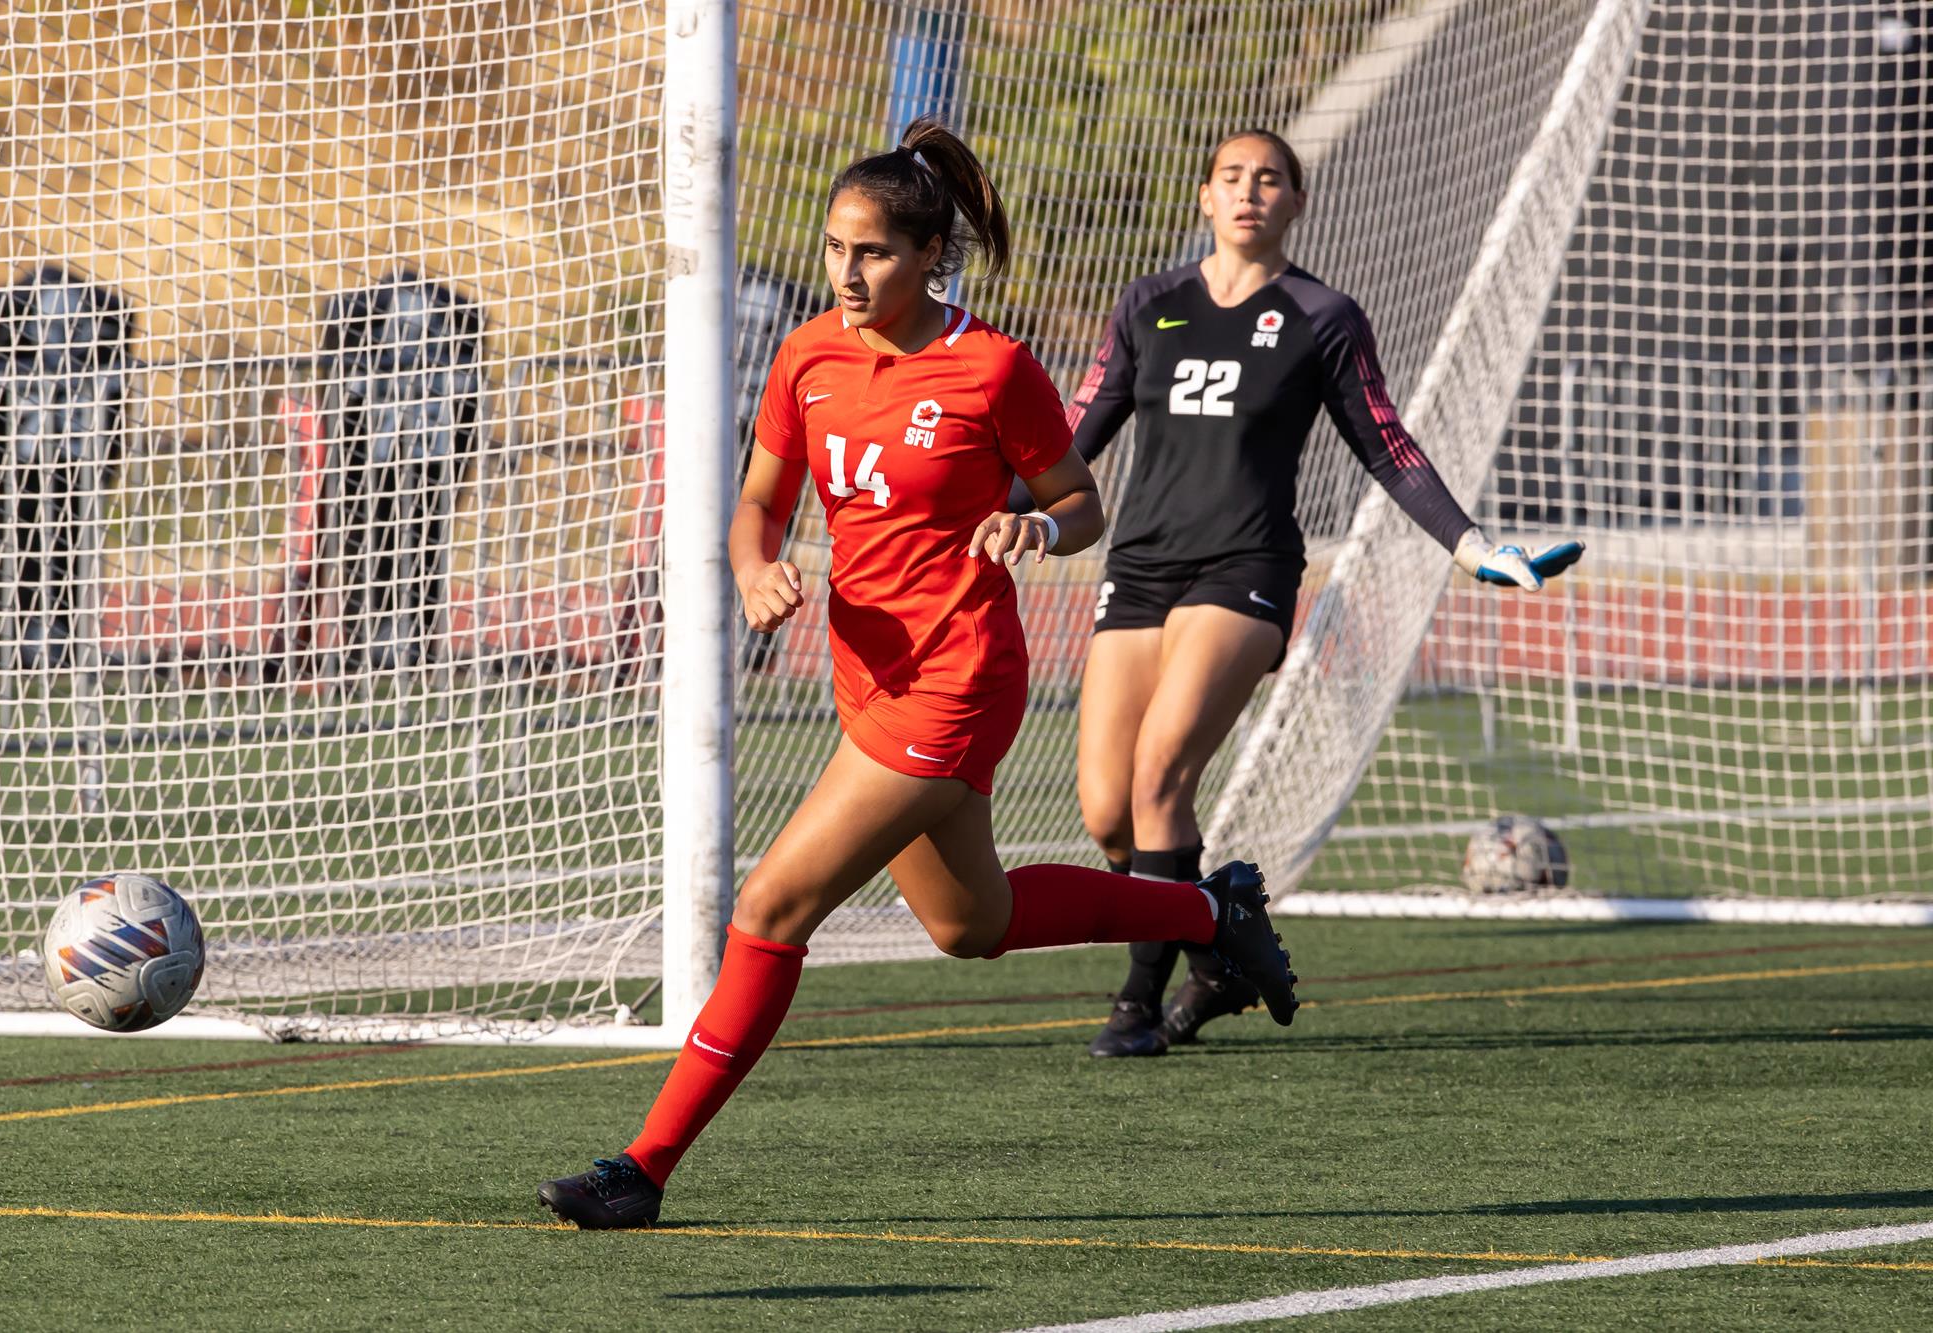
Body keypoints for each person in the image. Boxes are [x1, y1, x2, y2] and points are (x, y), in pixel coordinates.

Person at [537, 118, 1300, 1231]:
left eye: (875, 252)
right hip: (864, 676)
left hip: (958, 676)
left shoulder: (990, 365)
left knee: (770, 905)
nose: (848, 272)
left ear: (928, 253)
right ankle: (1205, 909)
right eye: (836, 247)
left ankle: (641, 1168)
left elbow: (1080, 502)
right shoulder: (808, 355)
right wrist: (754, 572)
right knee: (968, 922)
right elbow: (760, 503)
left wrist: (1032, 532)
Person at [1060, 128, 1582, 1058]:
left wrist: (1468, 546)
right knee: (1106, 809)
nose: (1250, 191)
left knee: (1159, 778)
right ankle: (1219, 952)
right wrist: (979, 507)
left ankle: (1137, 1006)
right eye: (1231, 177)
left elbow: (1386, 442)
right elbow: (1074, 438)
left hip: (1245, 570)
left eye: (1271, 179)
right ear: (1205, 199)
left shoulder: (1322, 315)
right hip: (1139, 567)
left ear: (1297, 203)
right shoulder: (1148, 303)